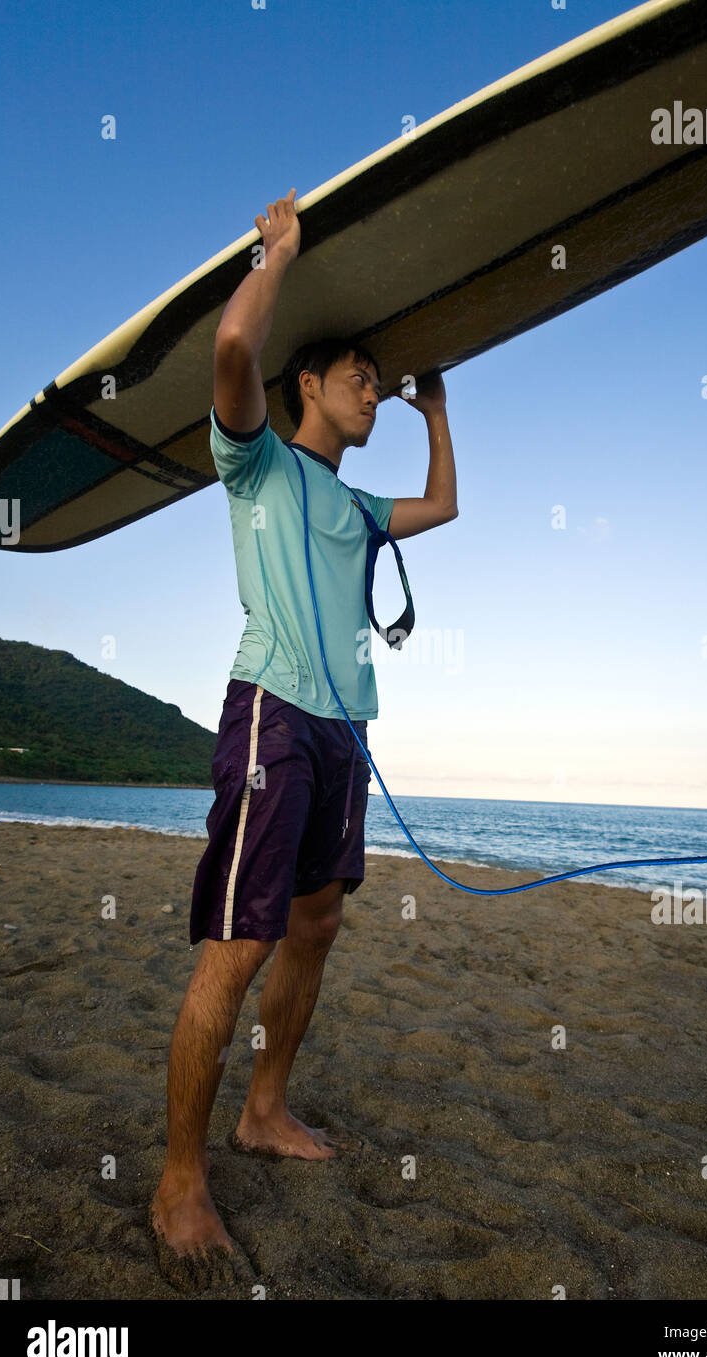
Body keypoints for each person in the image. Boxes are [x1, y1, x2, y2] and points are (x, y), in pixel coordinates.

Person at [150, 189, 458, 1262]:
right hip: (273, 716)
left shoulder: (356, 505)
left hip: (345, 732)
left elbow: (445, 507)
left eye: (377, 379)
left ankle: (263, 1108)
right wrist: (277, 253)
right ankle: (178, 1182)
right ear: (308, 388)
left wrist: (432, 414)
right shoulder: (257, 464)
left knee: (316, 927)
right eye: (360, 378)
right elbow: (236, 341)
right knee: (237, 949)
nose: (370, 389)